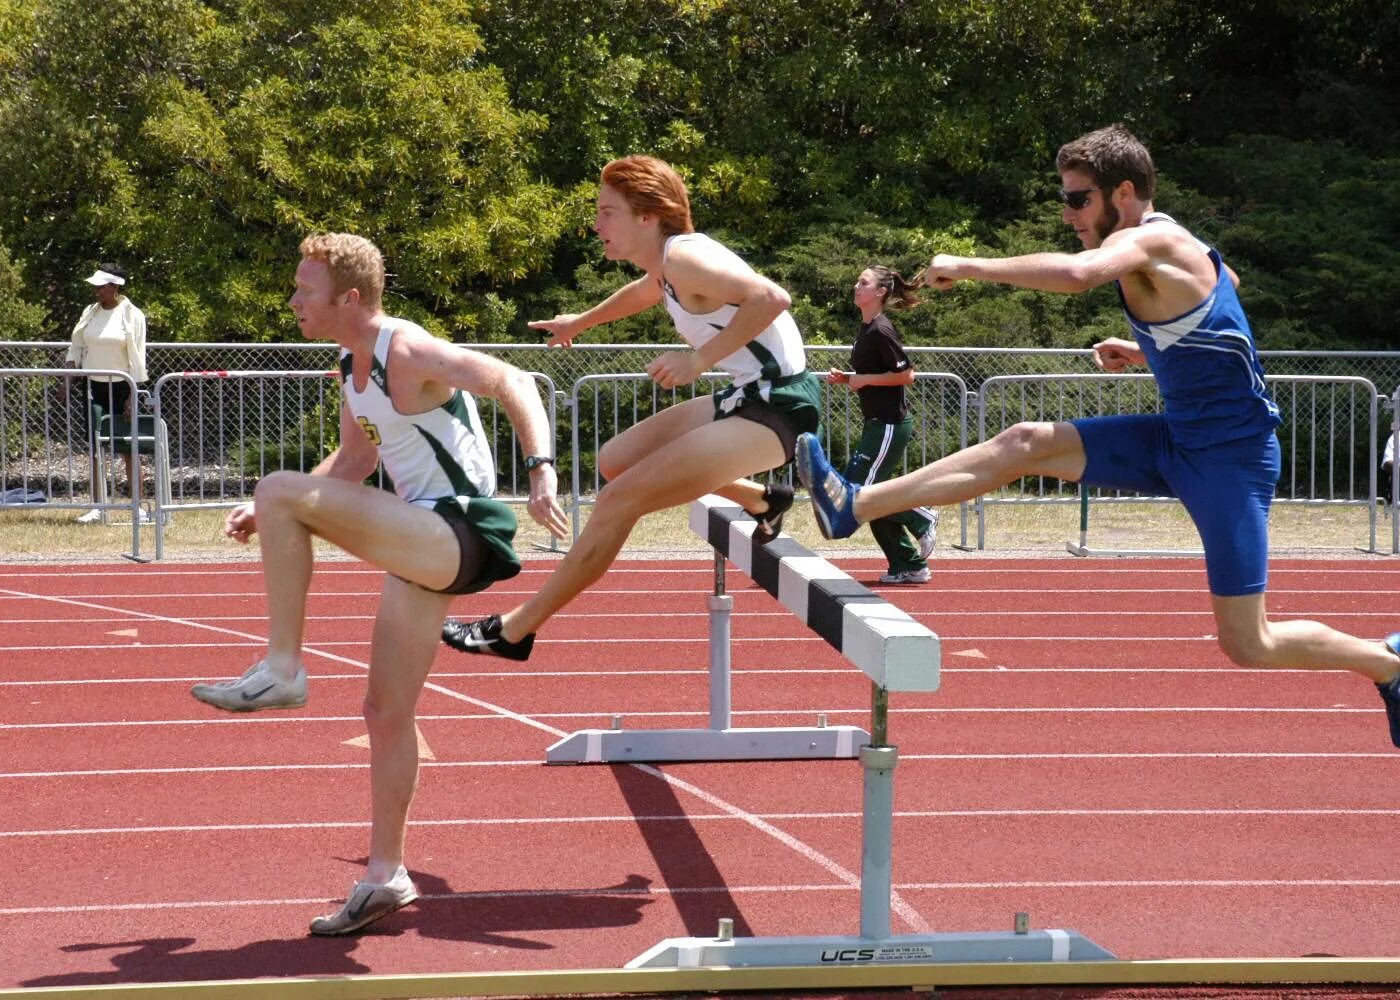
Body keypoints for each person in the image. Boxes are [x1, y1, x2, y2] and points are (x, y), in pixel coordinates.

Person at [794, 123, 1400, 747]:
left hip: (1232, 460)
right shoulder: (1180, 246)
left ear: (1126, 192)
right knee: (1026, 440)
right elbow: (1227, 289)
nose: (1067, 214)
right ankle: (852, 506)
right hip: (1174, 439)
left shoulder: (1154, 238)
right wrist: (1148, 347)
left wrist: (971, 265)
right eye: (1064, 199)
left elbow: (1082, 274)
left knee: (1249, 642)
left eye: (1079, 199)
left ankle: (1390, 666)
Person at [188, 233, 568, 936]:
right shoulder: (351, 367)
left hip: (461, 529)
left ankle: (282, 668)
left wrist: (541, 466)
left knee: (278, 486)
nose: (293, 300)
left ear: (350, 298)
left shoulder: (408, 348)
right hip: (421, 540)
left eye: (306, 289)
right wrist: (270, 507)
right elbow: (357, 460)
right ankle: (386, 874)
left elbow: (510, 378)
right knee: (385, 711)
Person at [440, 154, 820, 661]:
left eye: (606, 212)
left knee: (618, 500)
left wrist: (698, 360)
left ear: (647, 216)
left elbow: (772, 298)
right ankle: (763, 500)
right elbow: (643, 292)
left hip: (780, 403)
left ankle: (515, 629)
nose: (596, 224)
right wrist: (580, 322)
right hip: (747, 395)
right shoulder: (666, 268)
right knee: (615, 459)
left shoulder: (686, 257)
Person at [826, 265, 938, 584]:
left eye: (863, 282)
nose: (855, 286)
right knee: (868, 499)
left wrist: (862, 380)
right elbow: (875, 376)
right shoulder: (866, 328)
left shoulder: (880, 329)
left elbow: (907, 375)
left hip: (890, 424)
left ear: (879, 293)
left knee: (860, 493)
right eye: (857, 281)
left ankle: (920, 517)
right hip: (875, 423)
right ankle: (908, 565)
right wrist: (849, 379)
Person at [64, 262, 150, 524]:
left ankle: (138, 506)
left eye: (101, 286)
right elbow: (76, 347)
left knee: (128, 447)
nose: (96, 291)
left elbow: (138, 355)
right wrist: (67, 378)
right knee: (95, 447)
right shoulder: (89, 312)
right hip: (92, 385)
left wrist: (132, 394)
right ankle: (98, 506)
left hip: (123, 385)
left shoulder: (133, 315)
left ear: (115, 287)